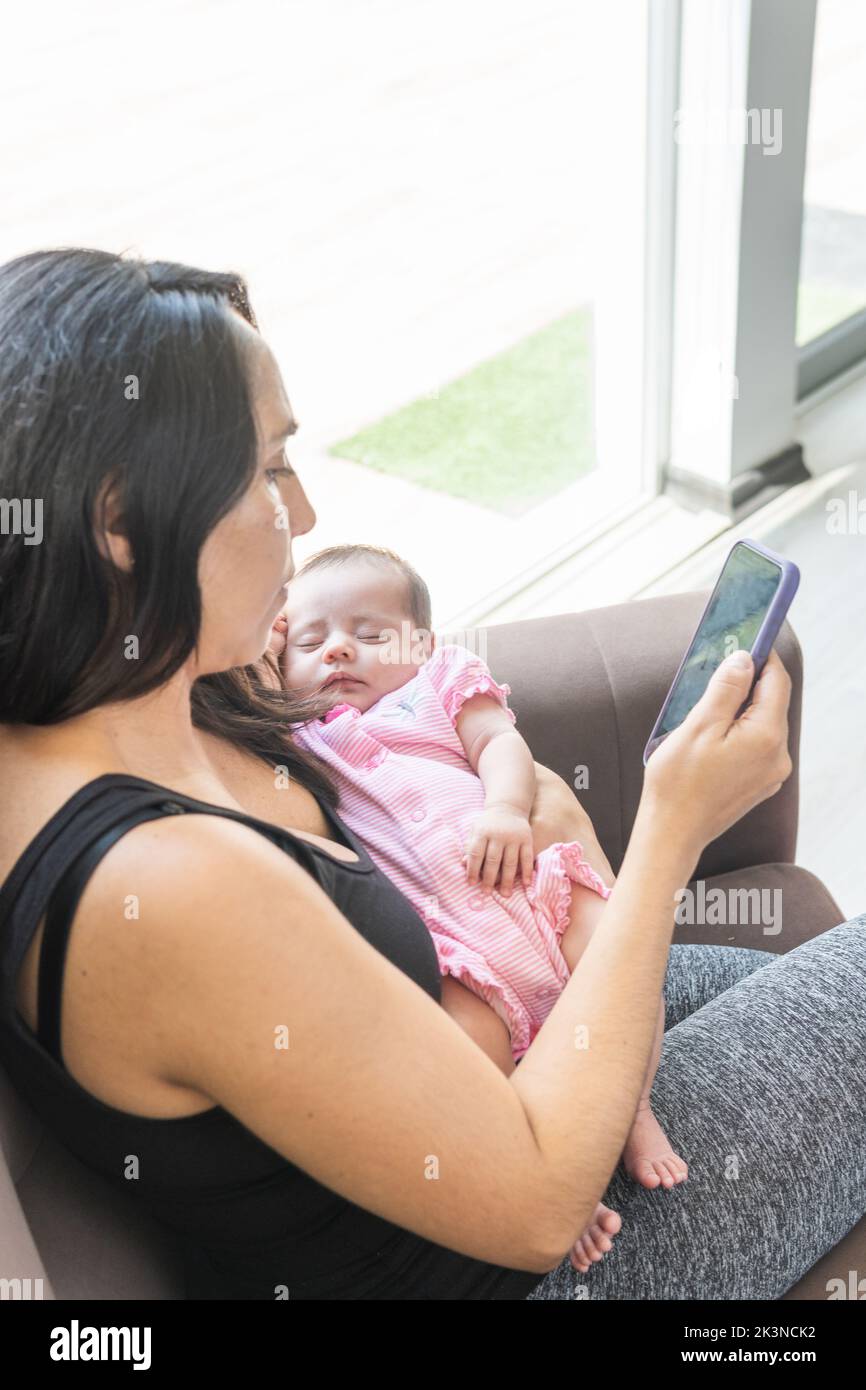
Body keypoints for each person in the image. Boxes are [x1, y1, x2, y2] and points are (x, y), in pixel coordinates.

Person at [0, 248, 864, 1302]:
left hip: (504, 1032)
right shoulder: (166, 886)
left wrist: (531, 803)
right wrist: (668, 833)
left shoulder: (180, 680)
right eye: (269, 468)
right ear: (119, 520)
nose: (305, 513)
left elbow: (422, 739)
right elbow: (542, 1199)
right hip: (534, 1251)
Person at [274, 545, 687, 1216]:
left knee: (622, 959)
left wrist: (504, 808)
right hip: (452, 946)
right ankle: (545, 1171)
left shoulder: (438, 686)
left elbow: (499, 742)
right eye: (311, 641)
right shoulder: (297, 737)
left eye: (370, 634)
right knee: (467, 1058)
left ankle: (633, 1112)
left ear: (423, 644)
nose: (339, 652)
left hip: (533, 890)